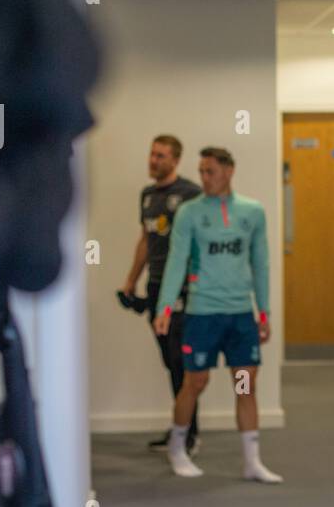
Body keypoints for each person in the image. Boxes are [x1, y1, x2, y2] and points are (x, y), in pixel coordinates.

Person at [153, 147, 281, 483]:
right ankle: (178, 448)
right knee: (195, 382)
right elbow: (176, 262)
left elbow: (260, 263)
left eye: (210, 172)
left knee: (245, 385)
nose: (204, 178)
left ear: (229, 171)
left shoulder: (251, 212)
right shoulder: (190, 213)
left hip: (240, 316)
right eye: (201, 172)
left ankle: (252, 461)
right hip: (202, 314)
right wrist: (164, 308)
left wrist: (264, 312)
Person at [120, 135, 203, 456]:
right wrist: (132, 280)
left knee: (183, 362)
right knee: (171, 362)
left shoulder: (190, 194)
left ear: (175, 160)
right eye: (151, 154)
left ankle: (189, 434)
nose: (153, 160)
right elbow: (146, 239)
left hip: (183, 290)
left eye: (160, 156)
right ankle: (180, 427)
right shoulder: (147, 195)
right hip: (156, 287)